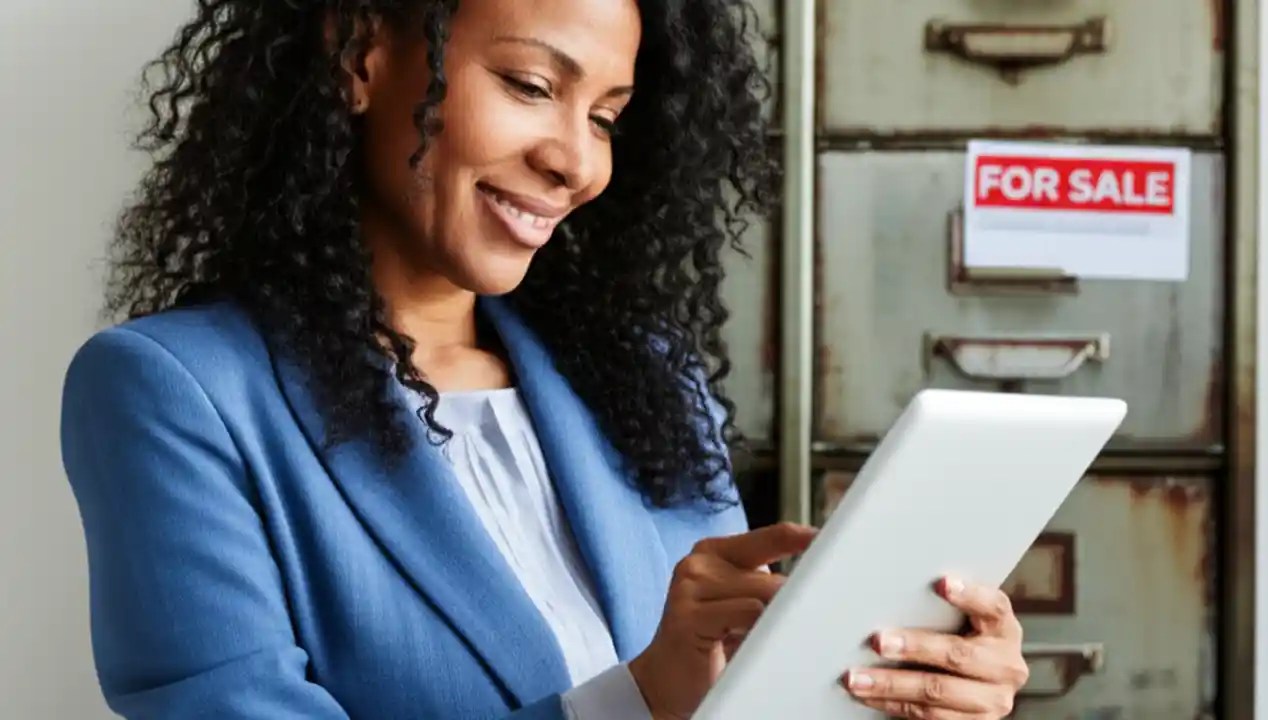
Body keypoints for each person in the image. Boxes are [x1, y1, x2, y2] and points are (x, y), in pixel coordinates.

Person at [59, 0, 1030, 718]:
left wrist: (897, 687)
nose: (577, 160)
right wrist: (630, 702)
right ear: (359, 53)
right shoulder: (173, 391)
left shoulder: (644, 383)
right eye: (531, 86)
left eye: (605, 115)